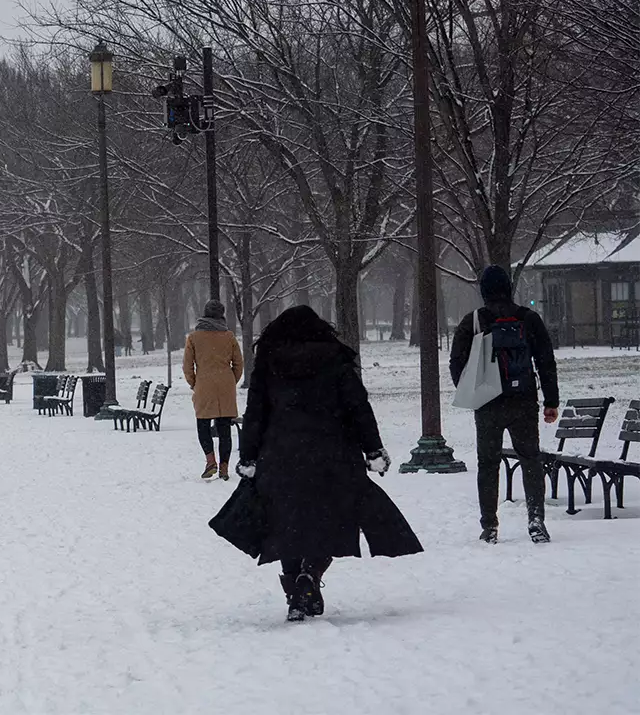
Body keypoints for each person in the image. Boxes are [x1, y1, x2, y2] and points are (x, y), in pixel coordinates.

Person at [228, 306, 421, 621]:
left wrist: (248, 457)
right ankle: (311, 576)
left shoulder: (268, 362)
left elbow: (255, 415)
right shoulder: (336, 360)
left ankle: (295, 589)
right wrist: (372, 449)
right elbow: (359, 408)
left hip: (281, 456)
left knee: (285, 526)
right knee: (332, 522)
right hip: (332, 457)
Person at [449, 265, 560, 544]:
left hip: (488, 404)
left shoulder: (473, 320)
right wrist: (551, 401)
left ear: (484, 291)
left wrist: (470, 391)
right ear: (509, 288)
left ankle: (490, 526)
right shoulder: (528, 318)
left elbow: (456, 363)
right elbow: (546, 361)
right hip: (523, 401)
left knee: (488, 464)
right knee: (530, 460)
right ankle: (536, 521)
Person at [184, 300, 244, 480]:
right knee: (225, 427)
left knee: (203, 424)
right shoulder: (229, 337)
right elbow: (239, 363)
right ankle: (224, 467)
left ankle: (210, 461)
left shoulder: (194, 338)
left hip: (204, 384)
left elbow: (188, 366)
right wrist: (231, 380)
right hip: (225, 384)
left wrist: (195, 383)